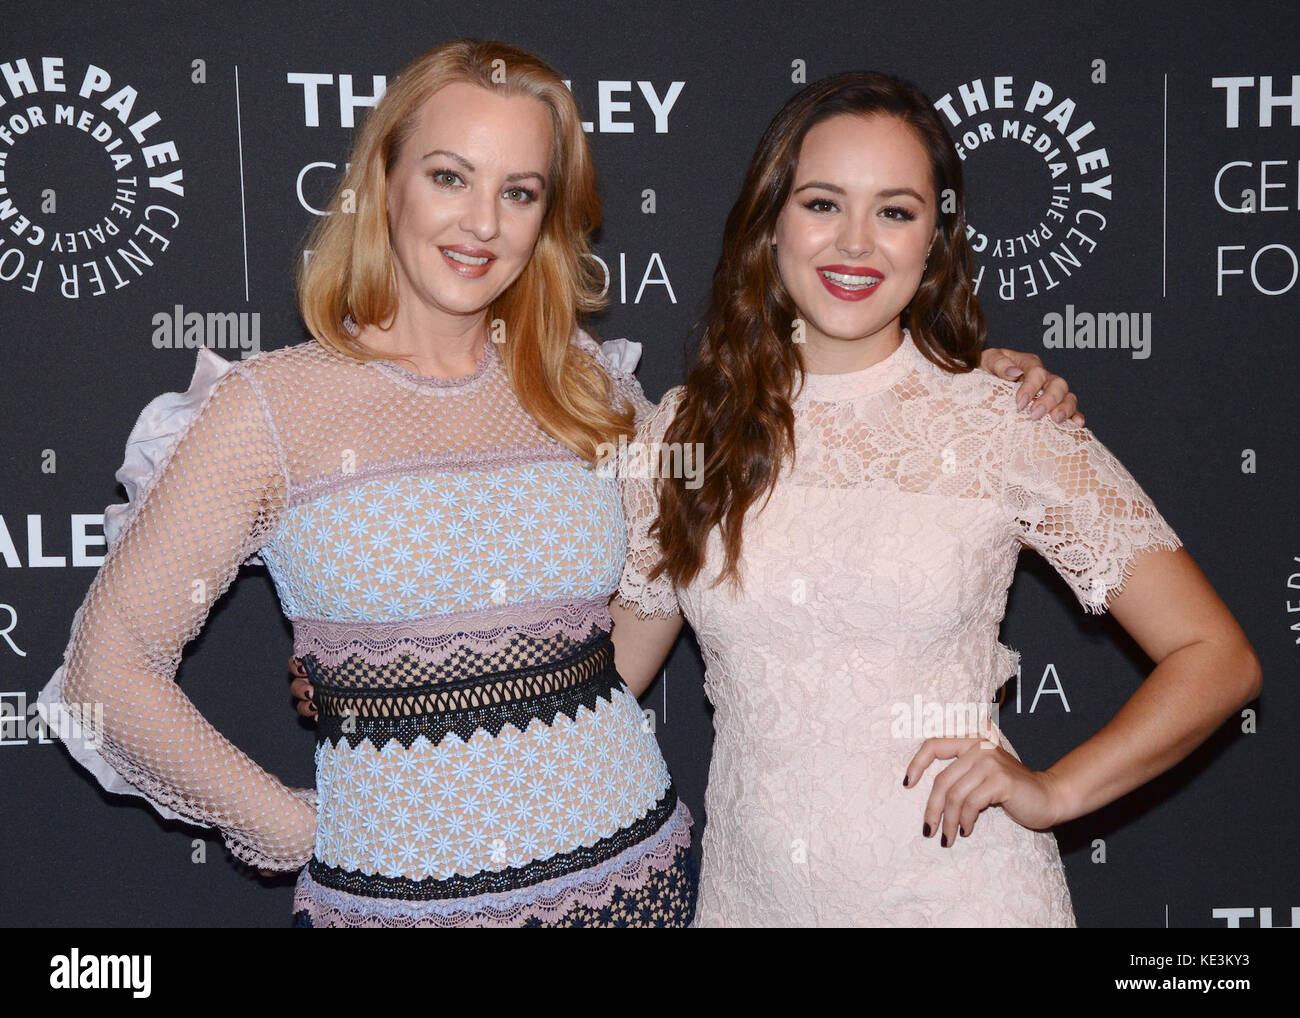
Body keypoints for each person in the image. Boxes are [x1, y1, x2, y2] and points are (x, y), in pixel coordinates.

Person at [39, 39, 703, 928]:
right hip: (399, 910)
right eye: (449, 177)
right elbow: (105, 674)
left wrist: (563, 716)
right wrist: (287, 825)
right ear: (383, 180)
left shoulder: (583, 385)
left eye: (520, 192)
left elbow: (660, 578)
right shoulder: (271, 408)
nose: (482, 224)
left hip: (636, 878)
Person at [607, 71, 1261, 926]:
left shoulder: (1009, 420)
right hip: (753, 901)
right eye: (821, 204)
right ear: (770, 225)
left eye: (895, 211)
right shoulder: (685, 434)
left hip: (964, 895)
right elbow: (613, 675)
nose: (855, 244)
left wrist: (1055, 791)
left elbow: (1217, 656)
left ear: (933, 242)